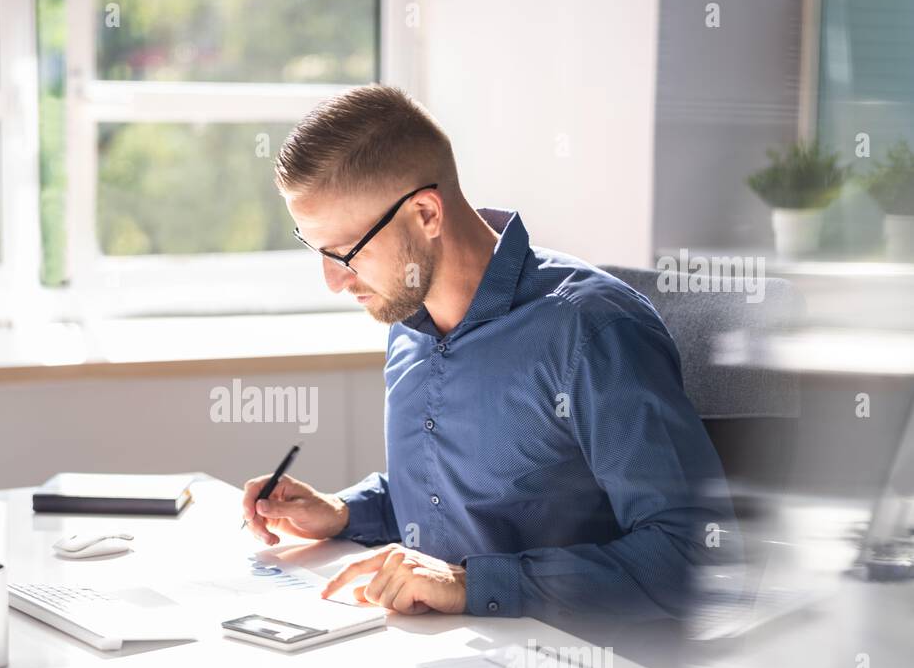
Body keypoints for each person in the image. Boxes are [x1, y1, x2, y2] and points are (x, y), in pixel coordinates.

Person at [242, 84, 738, 621]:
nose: (333, 282)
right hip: (440, 649)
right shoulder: (407, 319)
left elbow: (697, 555)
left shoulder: (591, 330)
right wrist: (344, 512)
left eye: (345, 253)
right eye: (316, 250)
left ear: (427, 214)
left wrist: (474, 583)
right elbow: (462, 505)